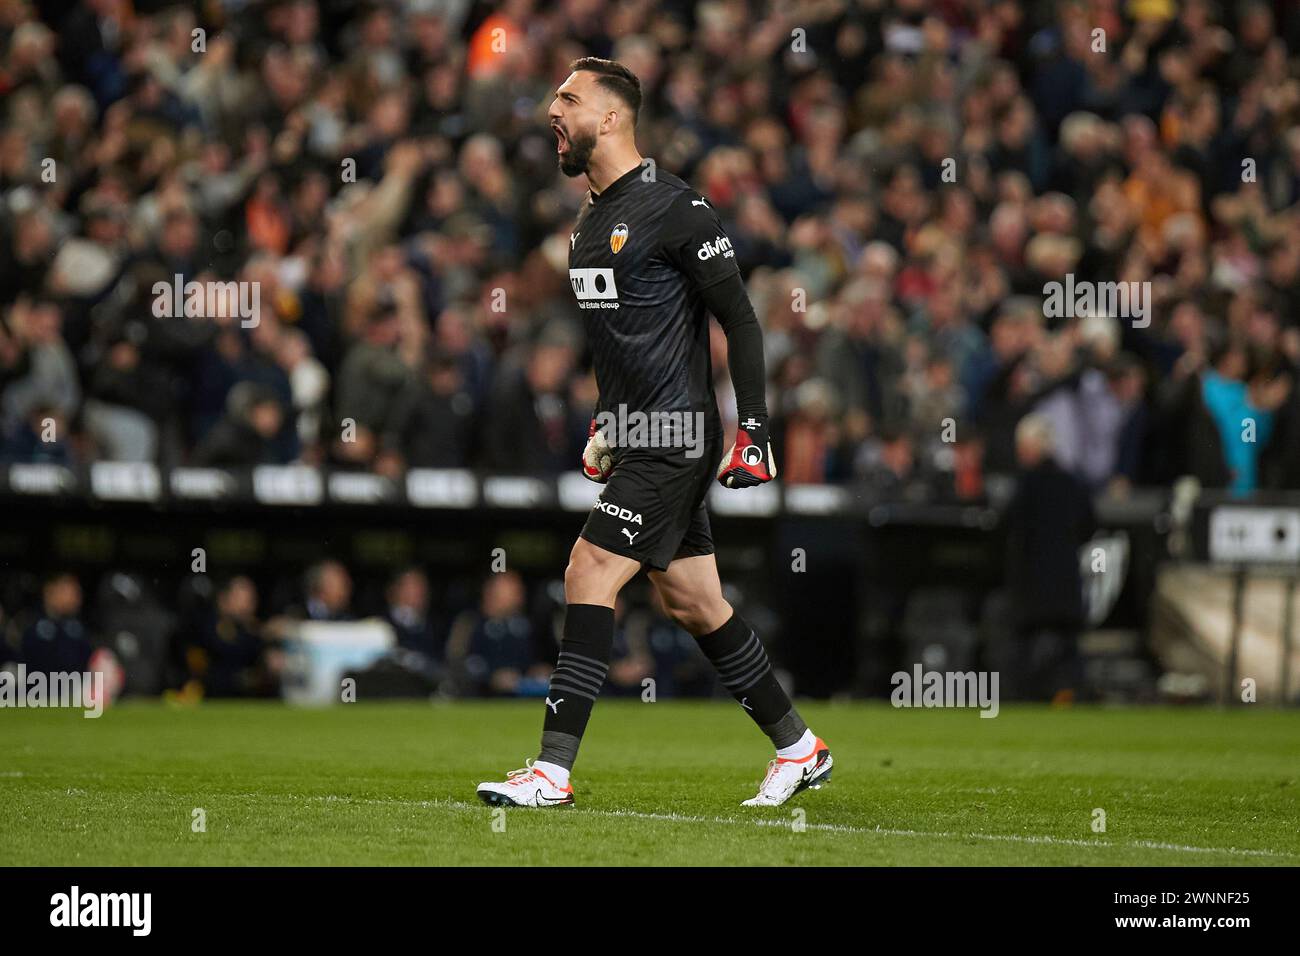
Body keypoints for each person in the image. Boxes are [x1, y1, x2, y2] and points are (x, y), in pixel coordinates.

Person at [476, 58, 830, 809]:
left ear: (610, 118)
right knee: (695, 601)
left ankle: (552, 773)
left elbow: (740, 319)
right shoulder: (585, 222)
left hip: (679, 435)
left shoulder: (679, 209)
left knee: (588, 568)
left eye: (568, 99)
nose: (552, 110)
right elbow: (626, 342)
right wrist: (609, 422)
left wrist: (755, 431)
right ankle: (799, 746)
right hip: (641, 433)